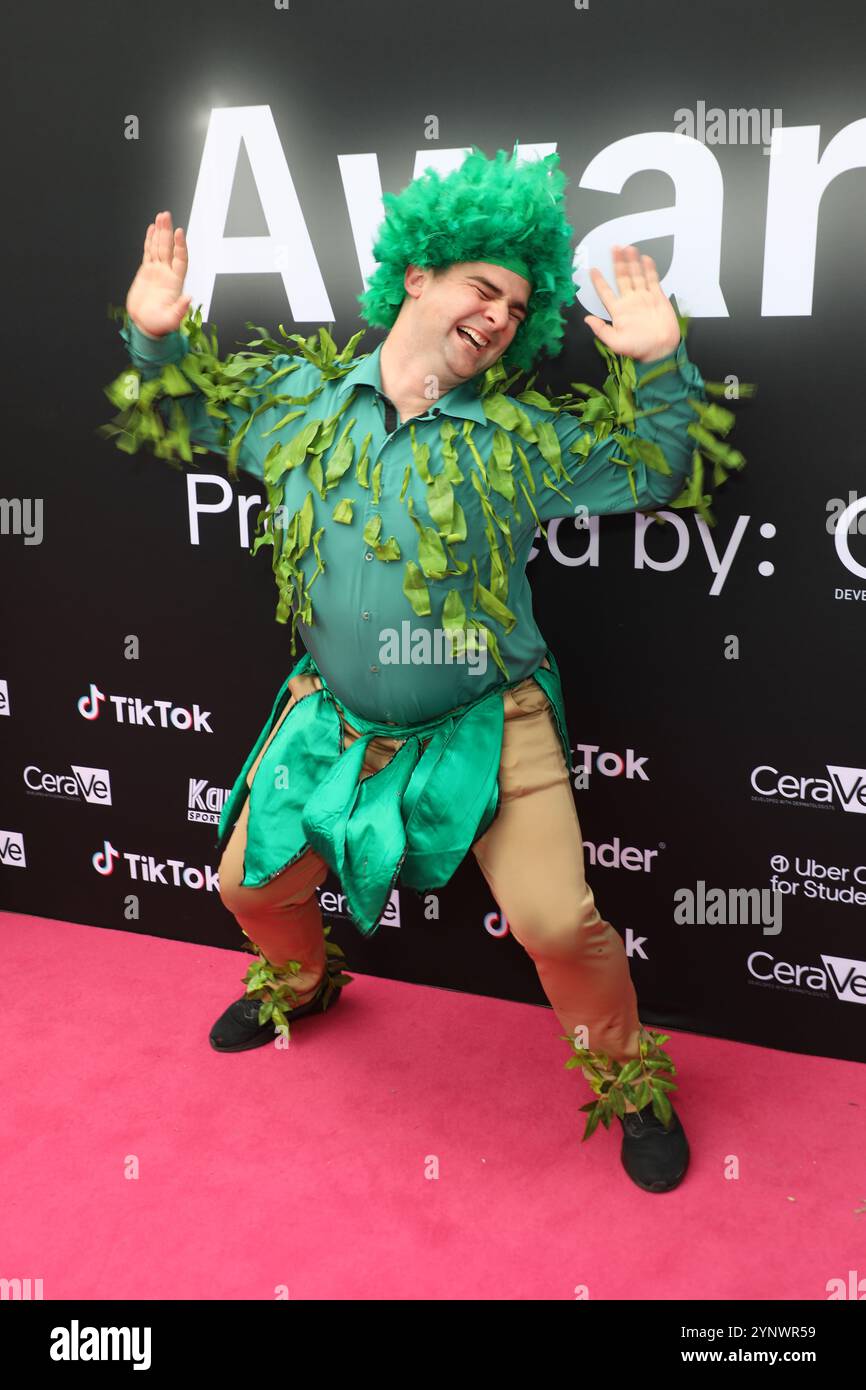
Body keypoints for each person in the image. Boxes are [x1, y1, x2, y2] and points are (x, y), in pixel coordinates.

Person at [101, 146, 748, 1193]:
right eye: (480, 287)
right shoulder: (295, 403)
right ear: (417, 275)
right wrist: (158, 333)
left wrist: (657, 365)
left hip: (487, 722)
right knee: (243, 884)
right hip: (334, 721)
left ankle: (626, 1085)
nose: (496, 315)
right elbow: (174, 413)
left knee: (552, 921)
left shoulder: (519, 439)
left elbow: (652, 472)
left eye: (514, 305)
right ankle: (303, 984)